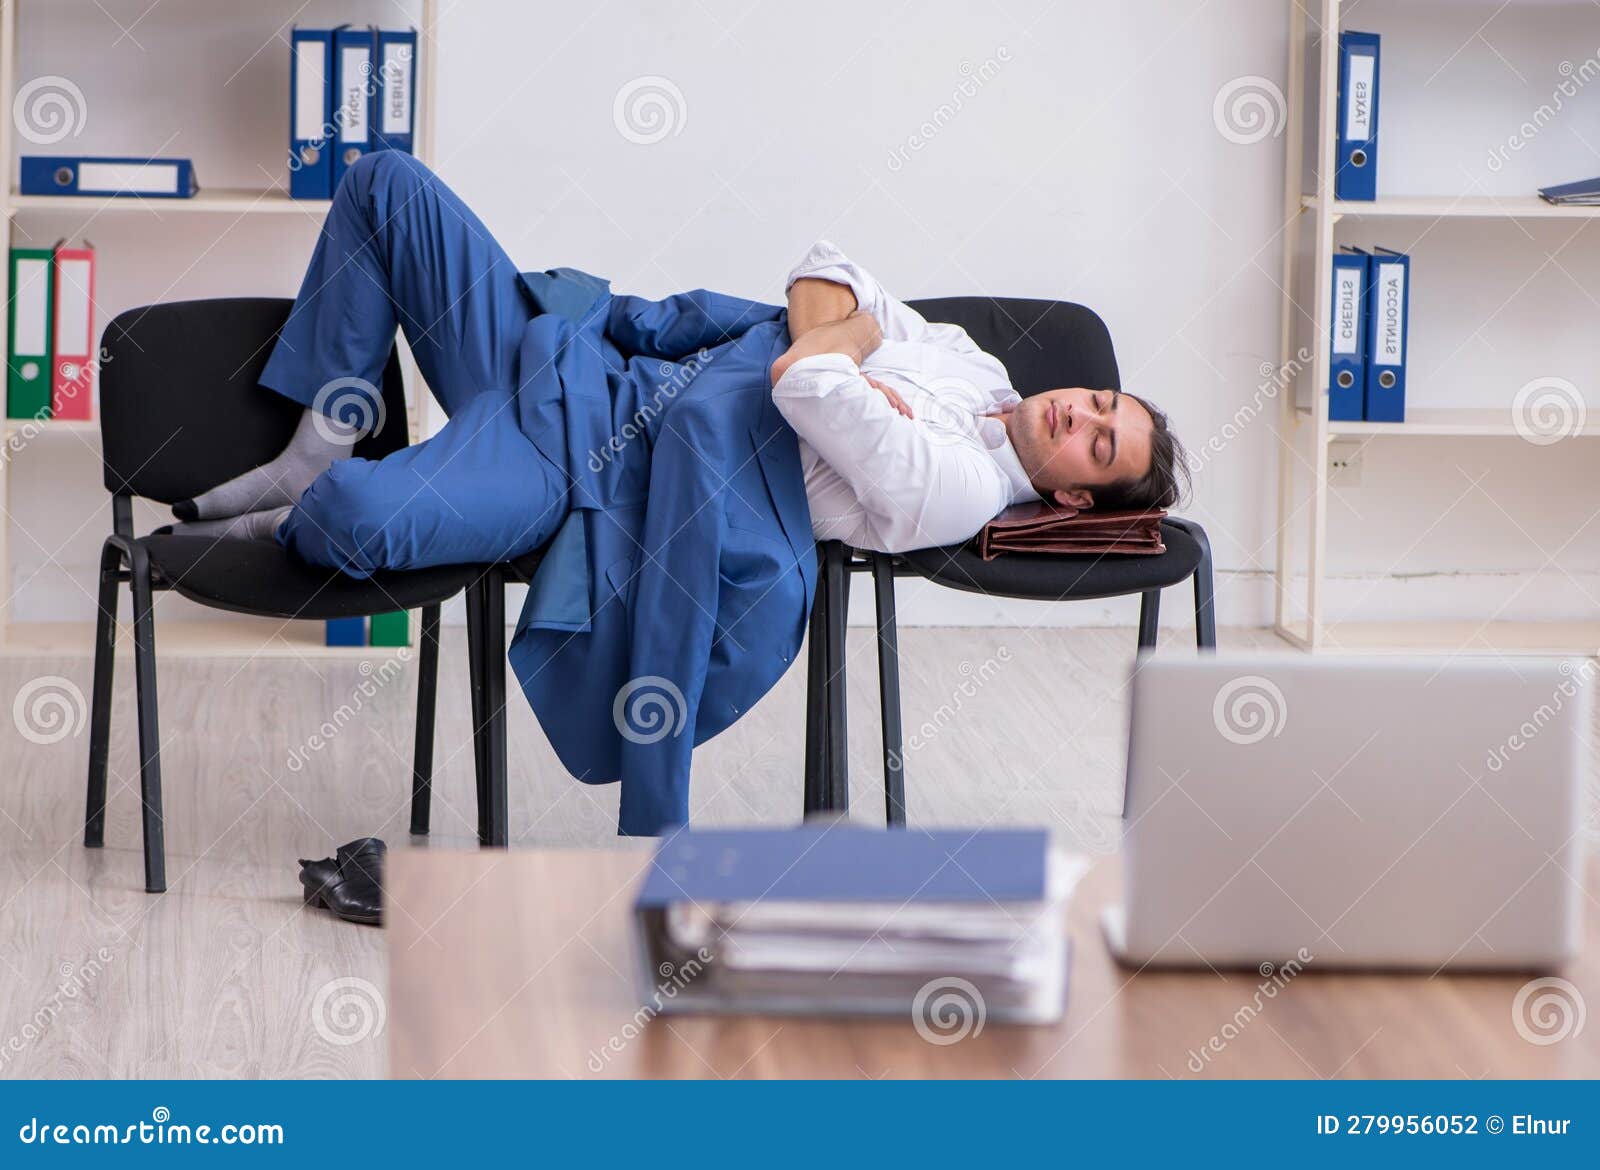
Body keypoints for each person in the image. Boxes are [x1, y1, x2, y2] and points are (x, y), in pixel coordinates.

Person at [166, 153, 1187, 564]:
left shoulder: (958, 489)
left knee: (355, 523)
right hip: (566, 362)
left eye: (1099, 445)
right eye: (1100, 401)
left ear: (1070, 503)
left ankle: (333, 491)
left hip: (584, 472)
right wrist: (855, 330)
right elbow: (830, 269)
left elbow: (808, 374)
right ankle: (322, 437)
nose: (1079, 416)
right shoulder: (971, 367)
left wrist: (843, 341)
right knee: (385, 182)